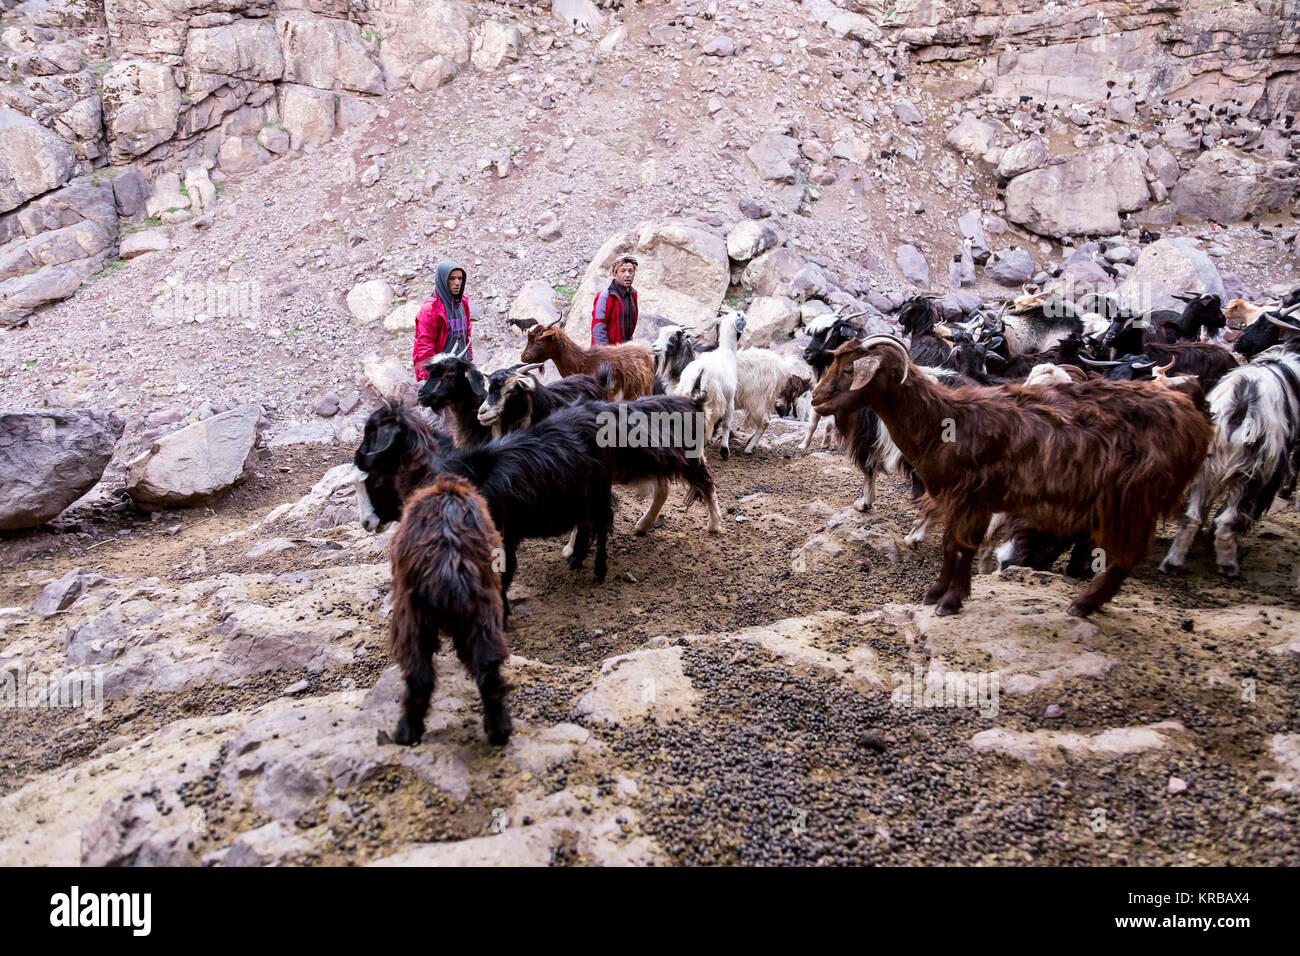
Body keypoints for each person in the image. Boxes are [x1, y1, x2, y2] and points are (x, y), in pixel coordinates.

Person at [413, 260, 473, 381]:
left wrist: (469, 360)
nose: (457, 283)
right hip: (443, 375)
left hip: (462, 369)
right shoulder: (430, 309)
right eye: (452, 278)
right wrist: (433, 377)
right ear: (443, 280)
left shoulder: (463, 303)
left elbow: (466, 336)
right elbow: (424, 347)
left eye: (460, 278)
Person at [591, 254, 639, 346]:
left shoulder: (633, 295)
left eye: (631, 271)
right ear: (614, 274)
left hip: (625, 350)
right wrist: (604, 357)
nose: (627, 275)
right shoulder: (605, 297)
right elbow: (598, 330)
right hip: (609, 353)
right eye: (623, 271)